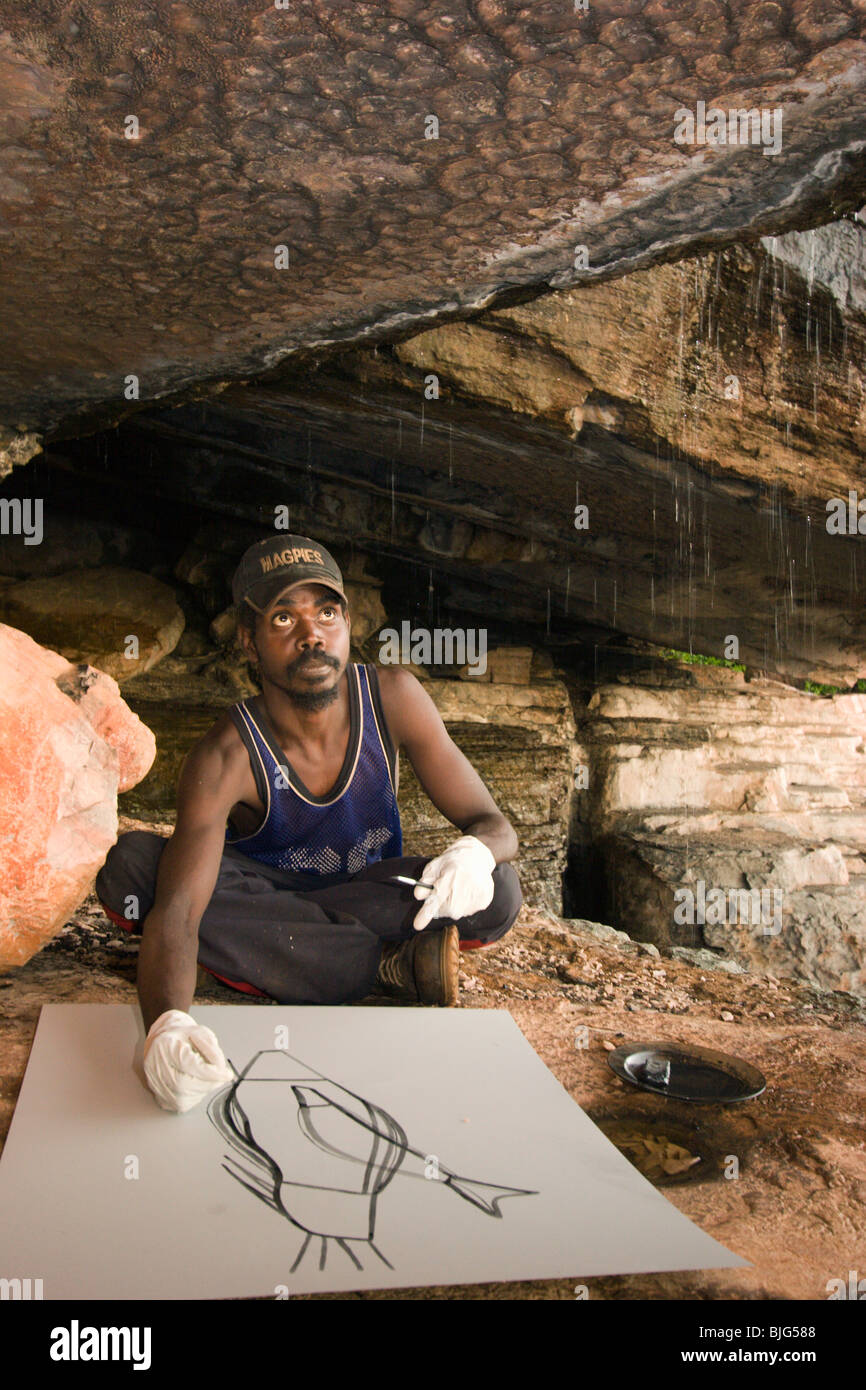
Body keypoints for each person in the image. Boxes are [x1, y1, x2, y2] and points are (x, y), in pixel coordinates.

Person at [96, 534, 522, 1113]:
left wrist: (474, 854)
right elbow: (178, 909)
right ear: (248, 641)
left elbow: (492, 823)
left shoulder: (393, 696)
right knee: (134, 871)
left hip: (368, 893)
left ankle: (291, 961)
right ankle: (384, 965)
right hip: (266, 893)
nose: (311, 634)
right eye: (282, 618)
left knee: (497, 889)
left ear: (346, 623)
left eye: (326, 612)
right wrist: (166, 1025)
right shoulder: (226, 755)